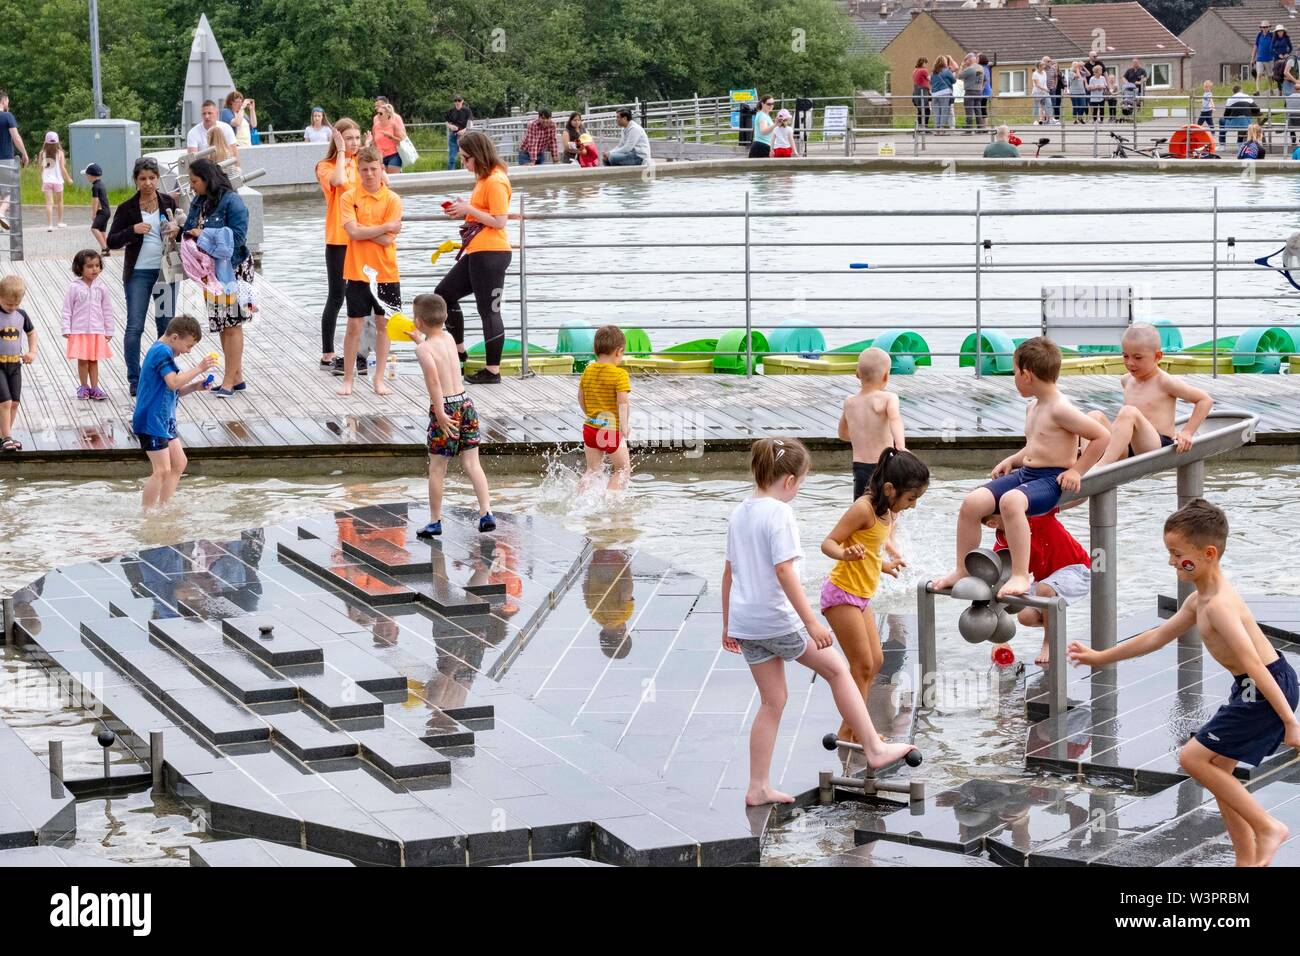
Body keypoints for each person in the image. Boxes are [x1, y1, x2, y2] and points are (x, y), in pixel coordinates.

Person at [1069, 499, 1300, 867]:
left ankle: (1268, 827)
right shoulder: (1199, 600)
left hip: (1264, 687)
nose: (1172, 561)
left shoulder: (1221, 605)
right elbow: (1156, 637)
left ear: (1208, 553)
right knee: (1219, 773)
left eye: (1177, 554)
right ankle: (1247, 860)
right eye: (1170, 553)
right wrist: (1100, 656)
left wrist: (1290, 721)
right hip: (1253, 686)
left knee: (1192, 757)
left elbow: (1255, 663)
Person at [722, 436, 917, 806]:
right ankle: (874, 747)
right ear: (791, 481)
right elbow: (784, 571)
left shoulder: (739, 512)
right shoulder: (779, 513)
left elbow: (728, 572)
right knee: (838, 671)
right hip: (778, 621)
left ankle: (757, 786)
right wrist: (811, 622)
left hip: (747, 623)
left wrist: (727, 624)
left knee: (772, 700)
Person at [931, 337, 1110, 599]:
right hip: (1027, 474)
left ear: (1026, 374)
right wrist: (1013, 460)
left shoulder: (1061, 409)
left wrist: (1076, 471)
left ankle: (1019, 574)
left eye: (1014, 372)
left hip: (1050, 479)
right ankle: (962, 568)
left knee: (1011, 502)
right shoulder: (1033, 406)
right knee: (972, 502)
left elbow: (1102, 436)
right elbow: (1037, 444)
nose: (1013, 378)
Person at [819, 448, 928, 743]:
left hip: (861, 596)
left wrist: (883, 564)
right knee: (863, 665)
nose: (913, 506)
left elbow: (869, 548)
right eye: (910, 499)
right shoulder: (863, 508)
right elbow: (828, 543)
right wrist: (844, 554)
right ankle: (850, 732)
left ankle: (855, 728)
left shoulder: (885, 513)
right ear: (890, 489)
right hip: (841, 593)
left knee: (876, 661)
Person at [411, 293, 495, 537]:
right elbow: (438, 351)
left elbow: (434, 382)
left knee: (437, 467)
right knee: (472, 463)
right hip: (466, 403)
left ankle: (435, 521)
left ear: (418, 321)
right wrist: (420, 339)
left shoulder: (423, 350)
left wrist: (439, 412)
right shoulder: (449, 338)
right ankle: (486, 512)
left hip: (445, 407)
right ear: (446, 316)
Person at [436, 131, 511, 385]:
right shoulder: (484, 179)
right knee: (443, 294)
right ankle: (459, 350)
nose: (464, 163)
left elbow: (500, 221)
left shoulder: (495, 180)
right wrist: (464, 208)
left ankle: (492, 371)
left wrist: (469, 209)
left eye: (466, 159)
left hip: (491, 253)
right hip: (477, 251)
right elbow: (483, 213)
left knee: (489, 311)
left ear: (478, 156)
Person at [1084, 322, 1213, 468]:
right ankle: (1085, 460)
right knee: (1093, 416)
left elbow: (1204, 400)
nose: (1130, 363)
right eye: (1125, 356)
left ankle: (1101, 465)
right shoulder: (1126, 380)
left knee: (1129, 412)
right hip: (1127, 446)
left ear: (1157, 356)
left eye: (1138, 358)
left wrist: (1187, 432)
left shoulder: (1164, 381)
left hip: (1155, 445)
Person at [107, 157, 180, 398]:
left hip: (166, 272)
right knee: (135, 326)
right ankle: (135, 378)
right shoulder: (127, 207)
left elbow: (184, 232)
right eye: (142, 179)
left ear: (158, 179)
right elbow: (111, 240)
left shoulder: (168, 201)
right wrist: (132, 231)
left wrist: (177, 229)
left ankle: (165, 374)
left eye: (151, 178)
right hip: (138, 272)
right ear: (136, 181)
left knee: (166, 325)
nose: (147, 183)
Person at [182, 158, 253, 397]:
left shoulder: (232, 201)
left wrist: (205, 234)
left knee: (232, 324)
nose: (192, 186)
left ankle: (228, 382)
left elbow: (239, 237)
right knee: (223, 325)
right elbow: (188, 229)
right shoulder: (199, 201)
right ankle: (237, 376)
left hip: (233, 270)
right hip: (209, 272)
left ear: (207, 179)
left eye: (194, 181)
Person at [983, 509, 1088, 664]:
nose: (1016, 511)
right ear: (993, 524)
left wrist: (1076, 484)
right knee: (1025, 616)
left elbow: (1075, 498)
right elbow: (998, 588)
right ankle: (1055, 627)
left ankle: (1050, 641)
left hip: (1078, 570)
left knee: (1044, 588)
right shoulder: (1002, 548)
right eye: (1006, 510)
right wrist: (999, 640)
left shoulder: (1039, 513)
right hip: (1045, 581)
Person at [133, 314, 215, 509]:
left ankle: (163, 507)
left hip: (164, 418)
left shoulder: (165, 351)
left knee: (178, 463)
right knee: (161, 470)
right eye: (189, 346)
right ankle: (147, 513)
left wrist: (196, 386)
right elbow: (173, 382)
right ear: (175, 337)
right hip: (151, 419)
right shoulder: (161, 351)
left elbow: (174, 390)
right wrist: (199, 368)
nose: (188, 351)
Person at [337, 145, 399, 397]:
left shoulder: (393, 199)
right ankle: (348, 379)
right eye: (364, 170)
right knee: (354, 325)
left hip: (386, 271)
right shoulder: (348, 198)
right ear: (358, 171)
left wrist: (365, 230)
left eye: (374, 169)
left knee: (385, 325)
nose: (370, 174)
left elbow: (387, 240)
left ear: (381, 169)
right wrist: (383, 226)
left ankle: (379, 378)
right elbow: (352, 232)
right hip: (358, 270)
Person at [315, 117, 363, 373]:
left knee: (364, 295)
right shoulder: (326, 166)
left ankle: (362, 352)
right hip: (338, 239)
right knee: (336, 295)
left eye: (356, 138)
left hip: (361, 237)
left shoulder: (361, 163)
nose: (354, 143)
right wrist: (342, 151)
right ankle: (327, 353)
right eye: (349, 138)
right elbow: (339, 183)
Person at [578, 325, 632, 491]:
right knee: (623, 470)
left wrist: (590, 415)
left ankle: (577, 497)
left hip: (590, 427)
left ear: (595, 349)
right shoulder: (619, 375)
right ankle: (610, 501)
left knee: (592, 470)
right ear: (619, 351)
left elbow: (581, 396)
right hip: (609, 429)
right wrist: (624, 425)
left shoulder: (588, 370)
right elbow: (622, 402)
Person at [61, 249, 114, 401]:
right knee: (83, 360)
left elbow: (107, 310)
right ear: (80, 268)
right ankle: (83, 386)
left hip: (97, 330)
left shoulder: (101, 287)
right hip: (79, 330)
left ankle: (95, 387)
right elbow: (67, 309)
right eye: (90, 266)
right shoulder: (74, 287)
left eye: (97, 265)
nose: (94, 269)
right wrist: (66, 327)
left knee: (94, 360)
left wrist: (108, 329)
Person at [0, 275, 37, 452]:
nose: (12, 308)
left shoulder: (21, 315)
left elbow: (31, 332)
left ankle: (4, 435)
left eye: (16, 304)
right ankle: (7, 437)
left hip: (15, 364)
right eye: (8, 304)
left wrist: (32, 351)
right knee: (5, 402)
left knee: (14, 402)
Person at [0, 90, 30, 231]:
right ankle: (1, 212)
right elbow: (16, 137)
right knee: (11, 190)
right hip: (5, 159)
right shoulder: (7, 116)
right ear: (4, 101)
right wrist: (24, 154)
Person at [39, 131, 72, 231]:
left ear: (46, 142)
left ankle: (49, 225)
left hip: (47, 181)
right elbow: (62, 168)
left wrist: (42, 181)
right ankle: (60, 222)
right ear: (57, 142)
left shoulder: (42, 153)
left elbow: (41, 168)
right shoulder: (60, 153)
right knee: (60, 202)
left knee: (49, 203)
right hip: (58, 181)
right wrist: (68, 179)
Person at [371, 96, 407, 172]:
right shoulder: (375, 120)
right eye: (375, 106)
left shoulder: (396, 118)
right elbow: (375, 139)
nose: (376, 108)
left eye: (378, 106)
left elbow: (403, 136)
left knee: (393, 177)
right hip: (380, 154)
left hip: (394, 152)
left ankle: (398, 170)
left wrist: (391, 136)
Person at [84, 163, 110, 255]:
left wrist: (94, 214)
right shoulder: (101, 184)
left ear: (91, 176)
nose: (86, 177)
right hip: (107, 211)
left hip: (102, 211)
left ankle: (105, 248)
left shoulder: (95, 187)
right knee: (102, 230)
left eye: (86, 175)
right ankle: (106, 247)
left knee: (94, 229)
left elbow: (95, 200)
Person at [445, 95, 472, 170]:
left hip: (464, 137)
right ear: (454, 102)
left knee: (465, 157)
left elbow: (471, 122)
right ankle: (450, 176)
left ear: (462, 101)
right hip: (453, 136)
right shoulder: (450, 111)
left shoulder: (467, 111)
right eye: (455, 101)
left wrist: (464, 130)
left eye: (459, 100)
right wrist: (451, 126)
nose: (457, 102)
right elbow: (446, 122)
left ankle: (466, 173)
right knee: (452, 158)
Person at [930, 56, 955, 132]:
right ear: (944, 62)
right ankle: (941, 129)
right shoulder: (947, 71)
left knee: (936, 111)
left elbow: (931, 82)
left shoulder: (933, 73)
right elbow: (954, 81)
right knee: (944, 110)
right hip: (944, 93)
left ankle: (936, 129)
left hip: (934, 94)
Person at [960, 54, 984, 131]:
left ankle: (969, 128)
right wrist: (981, 88)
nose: (964, 62)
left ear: (969, 60)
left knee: (969, 110)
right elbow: (985, 79)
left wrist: (961, 67)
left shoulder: (970, 69)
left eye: (965, 60)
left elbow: (959, 76)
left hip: (970, 91)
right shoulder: (980, 68)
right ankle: (980, 128)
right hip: (979, 91)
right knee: (978, 110)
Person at [1257, 20, 1277, 96]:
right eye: (1263, 27)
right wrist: (1253, 58)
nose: (1264, 28)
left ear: (1269, 27)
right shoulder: (1259, 35)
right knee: (1259, 74)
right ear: (1261, 28)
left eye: (1266, 27)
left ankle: (1271, 89)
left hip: (1269, 58)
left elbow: (1275, 44)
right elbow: (1256, 46)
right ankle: (1258, 91)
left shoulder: (1272, 35)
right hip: (1260, 58)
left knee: (1269, 75)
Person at [911, 57, 931, 128]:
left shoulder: (915, 70)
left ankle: (920, 126)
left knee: (920, 110)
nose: (926, 65)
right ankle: (924, 127)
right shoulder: (924, 70)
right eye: (926, 63)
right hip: (923, 91)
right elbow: (930, 79)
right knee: (927, 110)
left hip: (916, 92)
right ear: (923, 63)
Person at [1031, 60, 1051, 125]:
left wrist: (1046, 89)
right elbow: (1037, 84)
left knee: (1048, 104)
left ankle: (1049, 119)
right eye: (1043, 65)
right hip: (1037, 92)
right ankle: (1035, 120)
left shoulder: (1044, 72)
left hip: (1045, 92)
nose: (1044, 67)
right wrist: (1045, 89)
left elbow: (1044, 82)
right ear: (1039, 66)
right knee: (1036, 106)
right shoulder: (1035, 74)